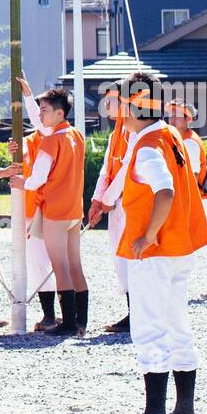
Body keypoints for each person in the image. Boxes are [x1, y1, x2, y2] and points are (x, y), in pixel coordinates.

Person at [108, 78, 207, 414]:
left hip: (155, 249)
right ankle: (184, 411)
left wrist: (147, 235)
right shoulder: (169, 134)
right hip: (179, 245)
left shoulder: (148, 145)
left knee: (150, 328)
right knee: (177, 325)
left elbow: (164, 191)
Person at [0, 81, 87, 334]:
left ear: (59, 113)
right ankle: (81, 321)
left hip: (56, 210)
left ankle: (69, 324)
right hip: (73, 209)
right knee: (74, 265)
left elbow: (37, 179)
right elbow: (40, 125)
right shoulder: (75, 135)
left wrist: (20, 182)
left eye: (45, 110)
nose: (40, 114)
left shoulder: (50, 142)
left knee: (60, 267)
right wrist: (29, 95)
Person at [164, 100, 207, 299]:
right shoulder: (182, 138)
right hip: (197, 198)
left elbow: (189, 174)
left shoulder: (189, 141)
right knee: (202, 240)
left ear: (188, 119)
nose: (172, 119)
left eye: (177, 115)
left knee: (204, 240)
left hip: (196, 199)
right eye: (171, 115)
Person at [86, 81, 136, 334]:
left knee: (132, 257)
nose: (107, 104)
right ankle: (132, 312)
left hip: (130, 203)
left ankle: (139, 313)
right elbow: (108, 168)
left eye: (113, 99)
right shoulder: (118, 130)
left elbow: (127, 169)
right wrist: (98, 199)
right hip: (116, 204)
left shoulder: (134, 131)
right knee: (120, 257)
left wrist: (107, 199)